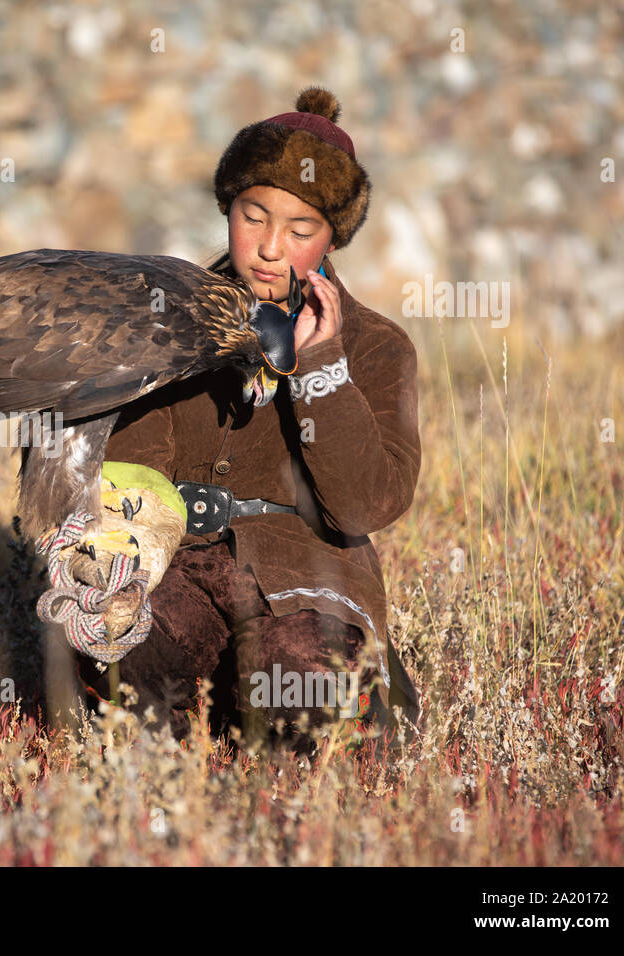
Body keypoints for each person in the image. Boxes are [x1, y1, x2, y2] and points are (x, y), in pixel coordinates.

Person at [76, 87, 422, 760]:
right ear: (228, 209)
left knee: (296, 681)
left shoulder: (379, 347)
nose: (268, 247)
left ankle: (351, 707)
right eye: (252, 216)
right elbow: (132, 467)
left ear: (332, 237)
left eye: (299, 230)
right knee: (120, 646)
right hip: (173, 556)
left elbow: (364, 505)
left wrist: (321, 366)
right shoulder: (167, 321)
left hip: (306, 575)